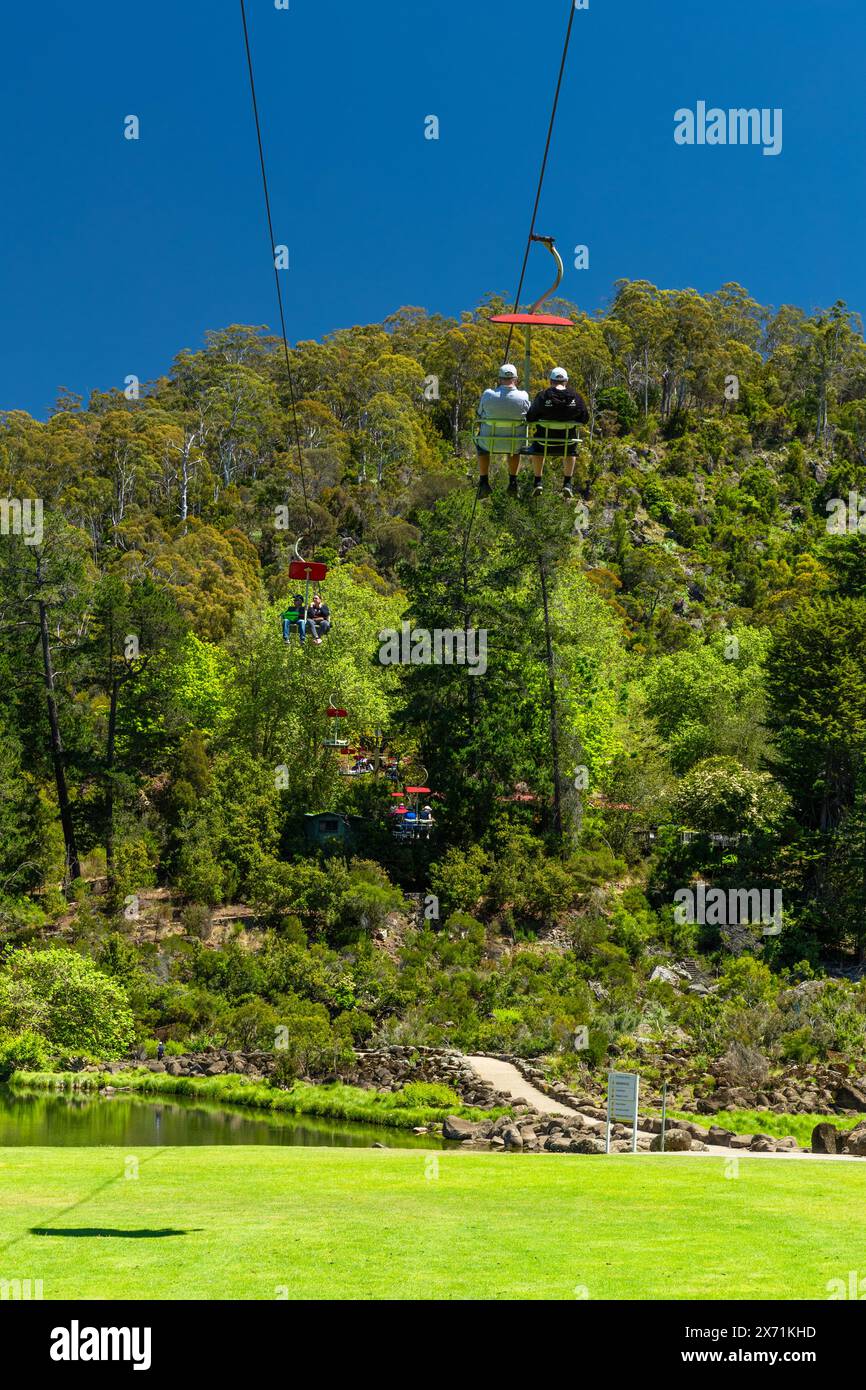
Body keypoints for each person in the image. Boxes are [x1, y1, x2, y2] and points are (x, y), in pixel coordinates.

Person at [524, 367, 589, 497]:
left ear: (550, 381)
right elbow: (585, 418)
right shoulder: (576, 397)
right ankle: (567, 483)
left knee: (536, 447)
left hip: (544, 443)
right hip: (567, 445)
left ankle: (538, 481)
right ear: (566, 381)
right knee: (571, 450)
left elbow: (530, 417)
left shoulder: (542, 396)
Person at [476, 364, 531, 498]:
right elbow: (529, 415)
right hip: (514, 443)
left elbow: (479, 413)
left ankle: (484, 481)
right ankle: (513, 481)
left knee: (480, 446)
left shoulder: (488, 394)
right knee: (514, 447)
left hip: (489, 443)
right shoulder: (523, 396)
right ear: (516, 379)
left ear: (499, 380)